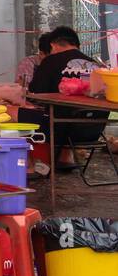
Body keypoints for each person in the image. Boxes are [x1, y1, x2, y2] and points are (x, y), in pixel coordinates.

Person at [22, 26, 107, 172]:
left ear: (53, 45)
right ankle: (65, 158)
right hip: (94, 130)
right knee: (67, 112)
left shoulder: (50, 62)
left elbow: (35, 94)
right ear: (77, 45)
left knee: (10, 113)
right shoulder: (95, 65)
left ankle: (31, 164)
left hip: (59, 129)